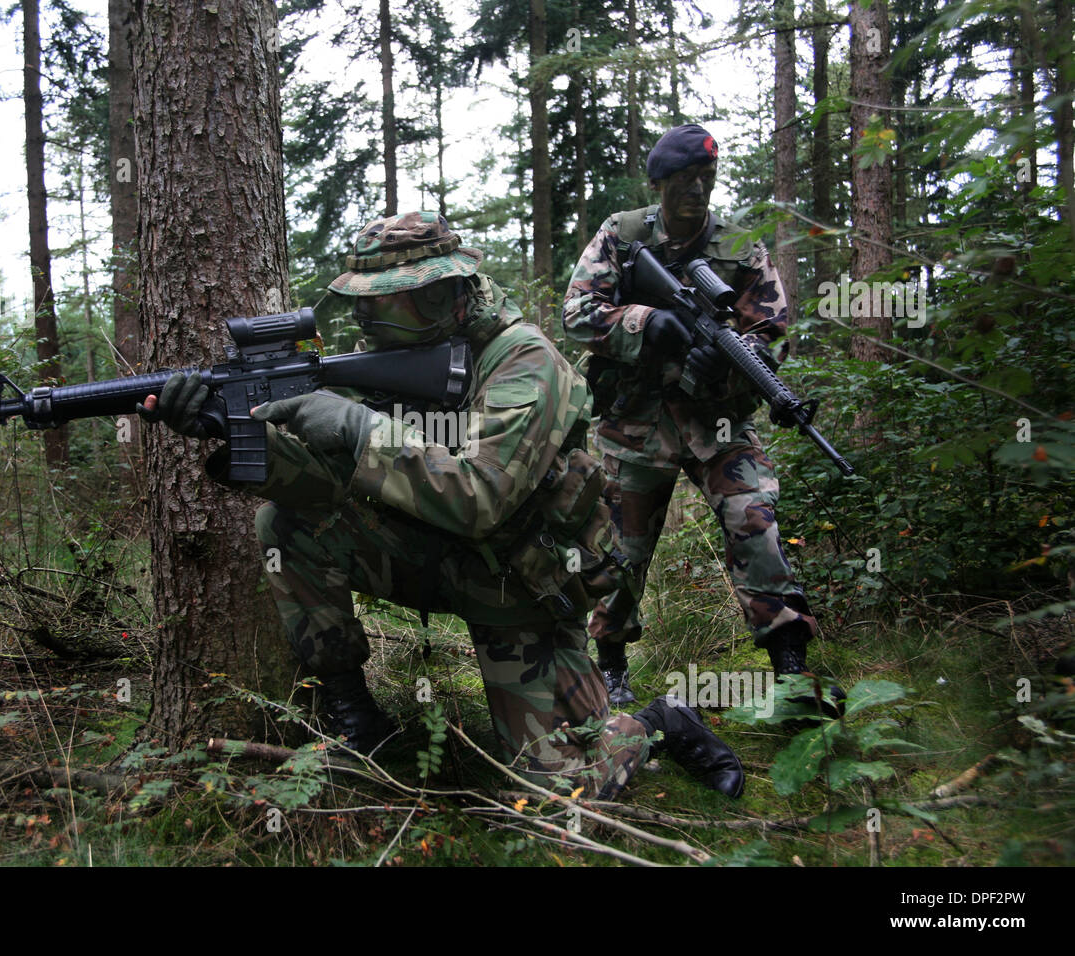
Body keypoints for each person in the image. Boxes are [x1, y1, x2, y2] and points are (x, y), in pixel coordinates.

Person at [140, 210, 744, 799]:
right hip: (430, 556)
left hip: (521, 585)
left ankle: (659, 721)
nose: (365, 319)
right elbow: (323, 484)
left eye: (382, 303)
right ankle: (356, 716)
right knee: (287, 522)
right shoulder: (389, 359)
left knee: (565, 788)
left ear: (441, 295)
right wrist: (230, 429)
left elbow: (481, 498)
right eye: (361, 303)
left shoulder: (524, 361)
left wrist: (354, 425)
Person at [563, 124, 837, 712]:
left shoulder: (740, 245)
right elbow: (578, 312)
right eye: (684, 178)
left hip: (719, 423)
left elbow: (774, 330)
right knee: (619, 553)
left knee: (755, 523)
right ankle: (609, 670)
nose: (696, 188)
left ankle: (791, 668)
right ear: (658, 182)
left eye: (706, 177)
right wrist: (643, 323)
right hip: (635, 422)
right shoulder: (622, 234)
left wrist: (744, 353)